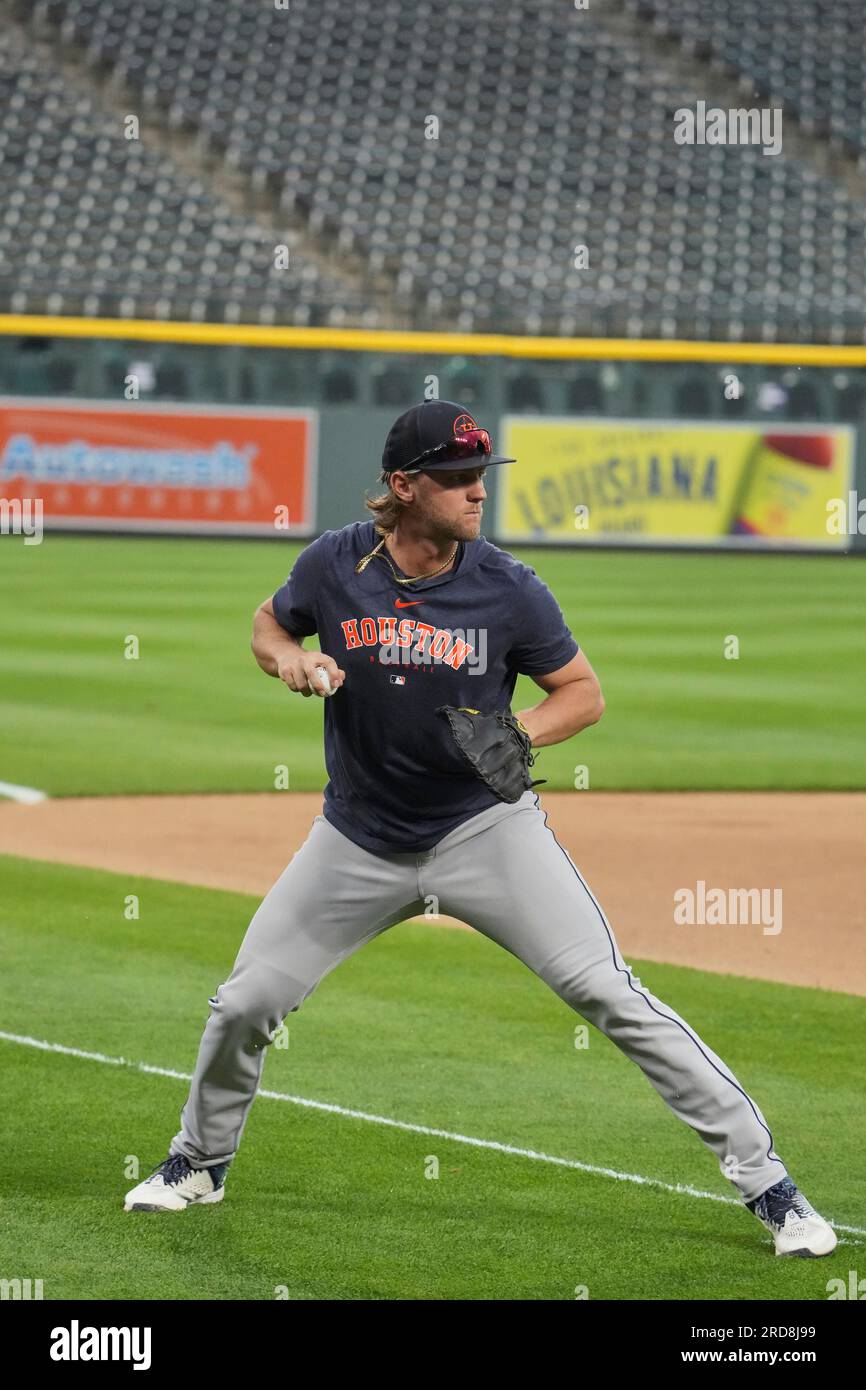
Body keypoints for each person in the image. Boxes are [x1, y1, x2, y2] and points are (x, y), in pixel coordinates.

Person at [124, 400, 836, 1259]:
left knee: (608, 993)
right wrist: (293, 659)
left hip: (484, 832)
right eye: (456, 478)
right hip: (357, 838)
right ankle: (199, 1162)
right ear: (402, 486)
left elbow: (583, 693)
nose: (475, 493)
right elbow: (269, 622)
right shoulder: (335, 565)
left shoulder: (507, 586)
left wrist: (520, 733)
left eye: (480, 477)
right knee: (247, 1001)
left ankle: (771, 1187)